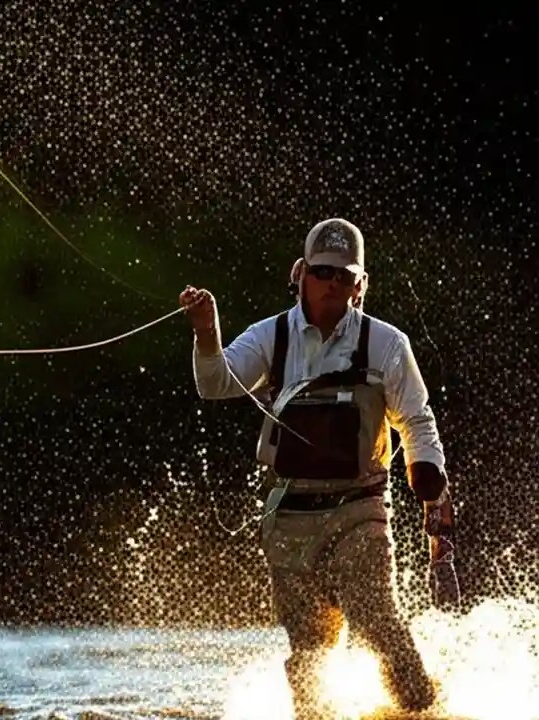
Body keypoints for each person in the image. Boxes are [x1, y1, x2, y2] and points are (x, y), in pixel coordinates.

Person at [178, 218, 459, 717]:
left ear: (360, 284)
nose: (333, 283)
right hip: (288, 515)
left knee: (376, 622)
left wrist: (430, 487)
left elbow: (417, 421)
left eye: (343, 275)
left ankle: (424, 710)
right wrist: (206, 333)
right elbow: (216, 383)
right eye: (323, 272)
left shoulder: (387, 344)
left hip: (361, 508)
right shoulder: (271, 336)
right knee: (310, 645)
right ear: (301, 273)